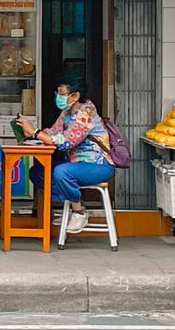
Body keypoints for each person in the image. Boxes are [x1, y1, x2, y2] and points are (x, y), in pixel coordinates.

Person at [20, 79, 114, 235]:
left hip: (97, 165)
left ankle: (79, 212)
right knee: (37, 172)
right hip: (76, 164)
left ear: (75, 95)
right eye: (58, 93)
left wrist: (36, 132)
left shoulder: (85, 112)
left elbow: (66, 142)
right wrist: (31, 131)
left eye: (62, 94)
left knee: (62, 172)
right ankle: (71, 204)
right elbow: (53, 133)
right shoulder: (67, 112)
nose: (59, 97)